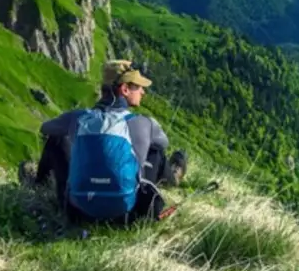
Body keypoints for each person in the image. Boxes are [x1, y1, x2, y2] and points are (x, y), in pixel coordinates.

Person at [23, 60, 186, 225]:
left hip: (79, 214)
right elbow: (163, 143)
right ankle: (173, 176)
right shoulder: (143, 123)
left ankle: (38, 183)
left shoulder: (79, 118)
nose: (143, 91)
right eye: (138, 86)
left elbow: (45, 128)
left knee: (56, 139)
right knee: (155, 151)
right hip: (127, 217)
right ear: (125, 89)